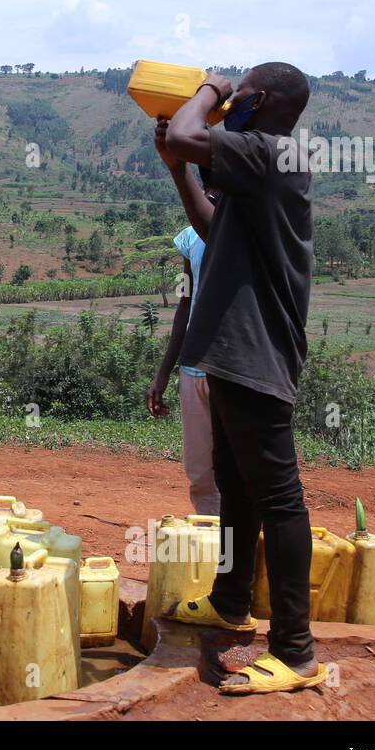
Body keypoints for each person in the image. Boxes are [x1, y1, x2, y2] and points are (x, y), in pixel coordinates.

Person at [160, 62, 325, 694]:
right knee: (236, 487)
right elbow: (209, 227)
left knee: (279, 498)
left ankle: (295, 650)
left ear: (260, 100)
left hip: (255, 354)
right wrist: (178, 168)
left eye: (242, 94)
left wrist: (211, 88)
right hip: (231, 353)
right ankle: (231, 601)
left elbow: (182, 132)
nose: (233, 101)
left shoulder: (272, 152)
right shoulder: (256, 164)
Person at [145, 177, 219, 517]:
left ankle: (239, 554)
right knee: (200, 472)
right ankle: (213, 548)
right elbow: (185, 304)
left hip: (231, 369)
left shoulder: (245, 223)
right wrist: (164, 372)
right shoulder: (190, 237)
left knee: (234, 470)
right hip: (193, 367)